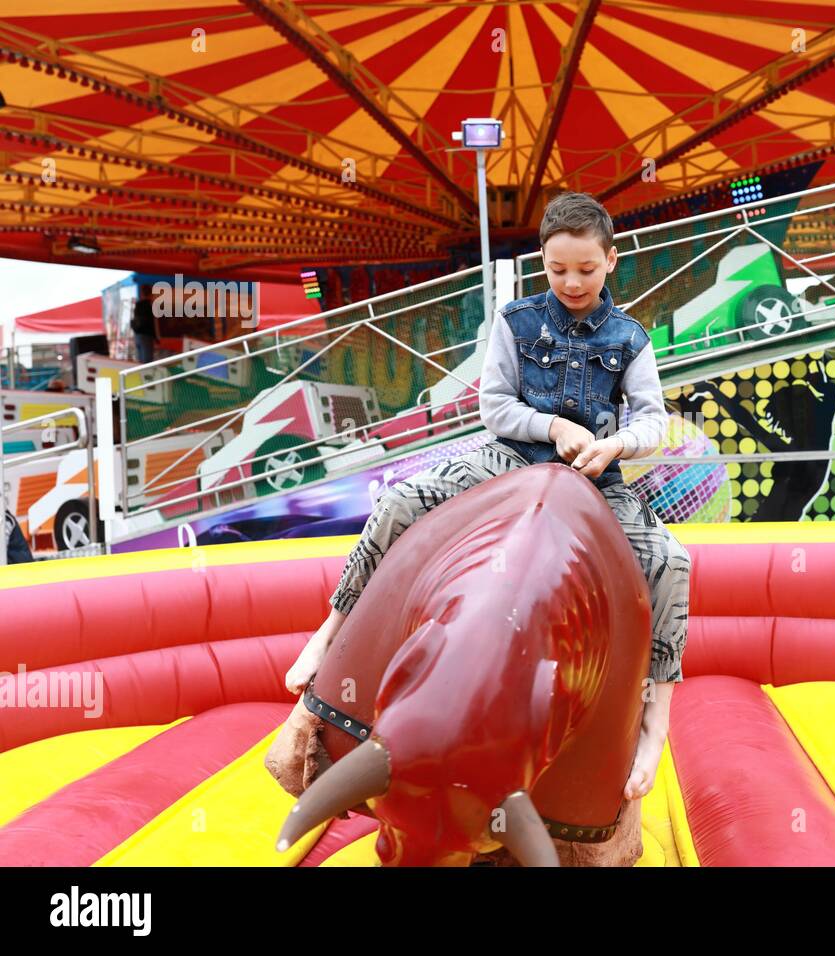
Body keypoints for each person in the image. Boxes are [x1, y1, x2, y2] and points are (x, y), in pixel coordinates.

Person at [282, 192, 691, 851]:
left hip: (592, 481)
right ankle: (331, 631)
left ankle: (656, 716)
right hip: (507, 463)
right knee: (399, 501)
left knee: (672, 561)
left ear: (610, 262)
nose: (572, 283)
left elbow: (650, 420)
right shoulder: (515, 321)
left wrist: (612, 446)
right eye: (559, 270)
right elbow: (495, 407)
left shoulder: (631, 339)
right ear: (543, 264)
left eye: (585, 269)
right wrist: (552, 425)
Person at [130, 286, 158, 364]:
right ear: (151, 294)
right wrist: (156, 338)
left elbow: (135, 319)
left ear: (142, 294)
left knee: (140, 360)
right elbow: (152, 324)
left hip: (137, 335)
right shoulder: (150, 306)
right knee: (147, 361)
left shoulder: (138, 305)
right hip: (147, 335)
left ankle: (139, 374)